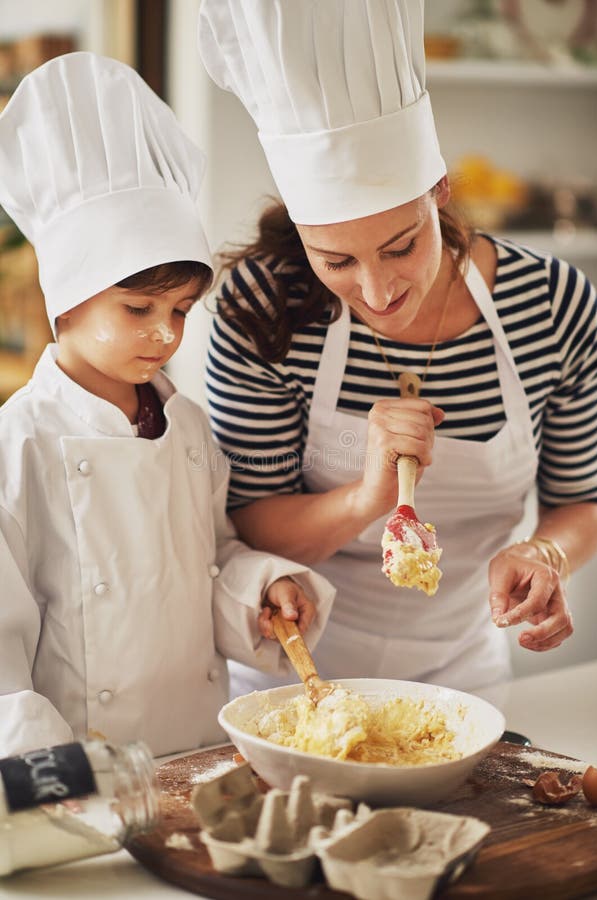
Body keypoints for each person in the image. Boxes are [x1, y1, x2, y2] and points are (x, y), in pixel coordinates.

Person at [197, 0, 597, 702]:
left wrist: (544, 553)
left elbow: (583, 501)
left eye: (400, 245)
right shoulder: (264, 310)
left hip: (464, 670)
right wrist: (367, 497)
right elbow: (252, 524)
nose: (377, 291)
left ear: (439, 192)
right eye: (336, 261)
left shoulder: (552, 303)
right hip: (292, 665)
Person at [0, 52, 335, 758]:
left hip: (197, 749)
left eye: (182, 309)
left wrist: (261, 586)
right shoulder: (20, 443)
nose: (165, 333)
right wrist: (47, 784)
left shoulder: (183, 425)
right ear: (67, 299)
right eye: (137, 307)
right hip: (83, 765)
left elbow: (205, 560)